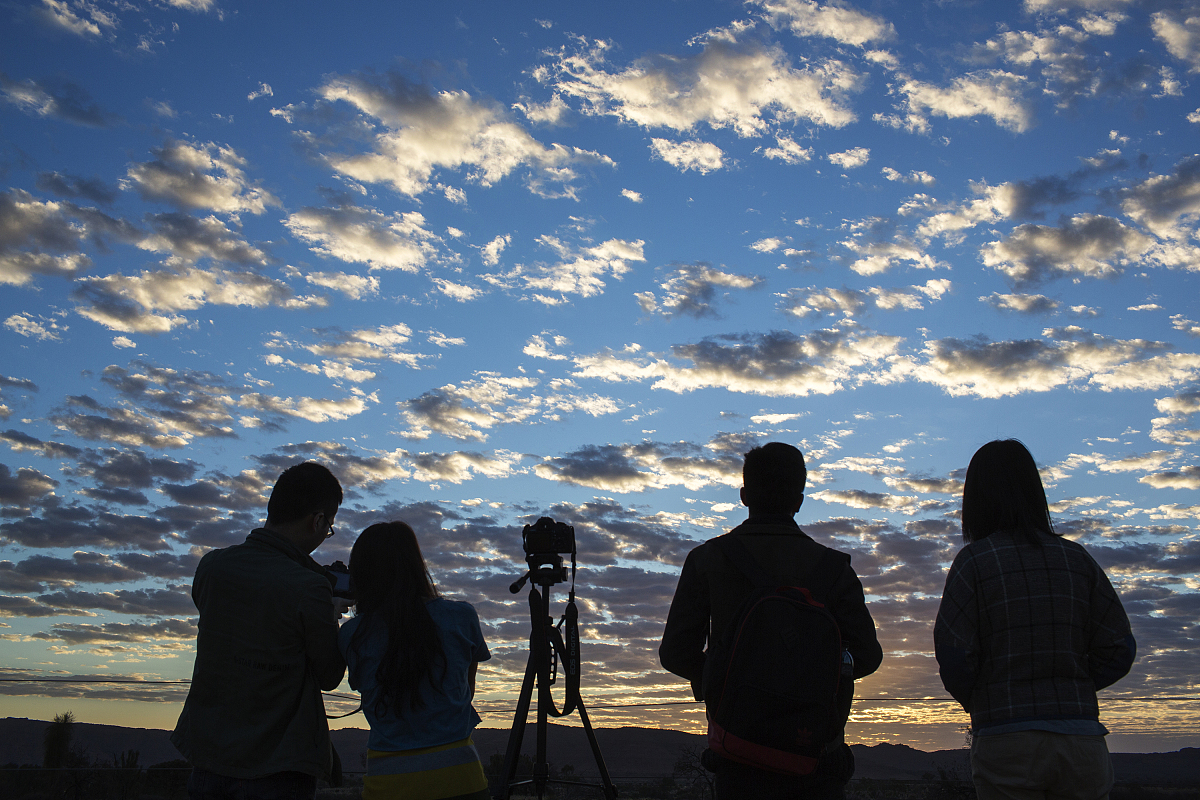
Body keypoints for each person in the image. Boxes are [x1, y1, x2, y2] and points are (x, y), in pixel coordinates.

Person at [660, 442, 883, 800]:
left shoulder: (708, 560)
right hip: (815, 753)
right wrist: (814, 680)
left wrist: (724, 681)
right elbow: (868, 656)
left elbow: (675, 653)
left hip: (740, 752)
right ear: (799, 499)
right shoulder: (834, 570)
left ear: (744, 495)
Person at [935, 439, 1137, 800]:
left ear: (975, 500)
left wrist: (985, 697)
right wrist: (1073, 685)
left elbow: (954, 657)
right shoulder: (1078, 560)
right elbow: (1118, 648)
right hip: (1081, 741)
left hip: (1006, 741)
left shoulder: (974, 563)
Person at [172, 461, 348, 800]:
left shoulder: (211, 566)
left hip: (208, 756)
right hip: (276, 767)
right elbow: (329, 675)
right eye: (329, 528)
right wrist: (327, 615)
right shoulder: (310, 588)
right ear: (318, 521)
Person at [339, 521, 491, 800]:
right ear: (416, 564)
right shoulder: (461, 617)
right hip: (461, 778)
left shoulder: (352, 634)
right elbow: (465, 692)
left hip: (388, 783)